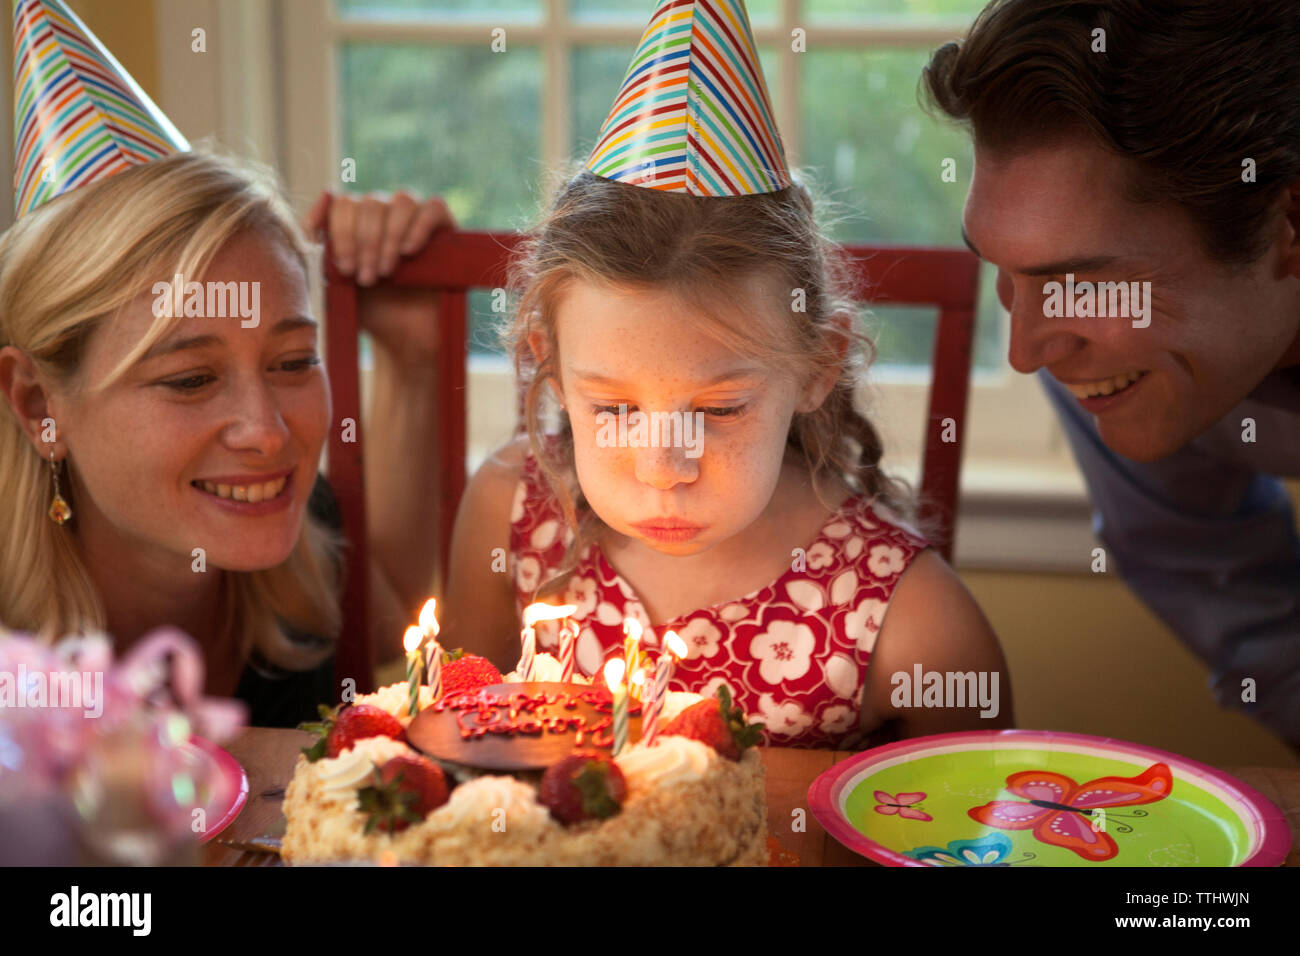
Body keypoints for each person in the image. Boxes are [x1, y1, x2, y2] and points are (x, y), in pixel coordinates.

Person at [442, 0, 1012, 747]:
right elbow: (461, 765)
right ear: (546, 361)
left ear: (818, 366)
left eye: (718, 411)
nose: (665, 468)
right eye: (615, 408)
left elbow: (968, 841)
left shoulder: (913, 626)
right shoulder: (511, 518)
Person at [922, 0, 1300, 745]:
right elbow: (1241, 609)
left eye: (1080, 284)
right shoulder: (1102, 356)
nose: (1026, 352)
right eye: (1005, 271)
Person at [0, 148, 451, 727]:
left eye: (292, 362)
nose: (266, 433)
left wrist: (411, 357)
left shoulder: (304, 524)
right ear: (40, 405)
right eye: (191, 379)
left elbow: (385, 616)